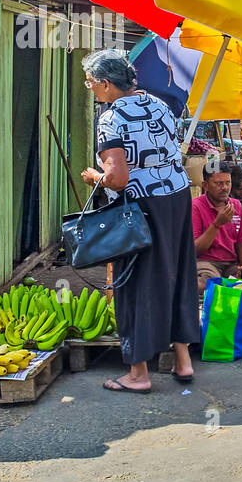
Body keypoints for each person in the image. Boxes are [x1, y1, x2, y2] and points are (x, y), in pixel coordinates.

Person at [80, 49, 198, 392]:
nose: (90, 89)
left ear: (105, 84)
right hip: (176, 198)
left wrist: (94, 177)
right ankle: (183, 361)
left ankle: (138, 374)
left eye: (90, 83)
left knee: (136, 284)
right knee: (176, 274)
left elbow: (117, 179)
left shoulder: (110, 118)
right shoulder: (159, 104)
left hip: (141, 207)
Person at [192, 158, 242, 293]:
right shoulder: (196, 206)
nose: (224, 188)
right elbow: (195, 250)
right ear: (205, 185)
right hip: (206, 262)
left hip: (231, 264)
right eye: (218, 183)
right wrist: (217, 224)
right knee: (205, 285)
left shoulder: (235, 205)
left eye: (227, 183)